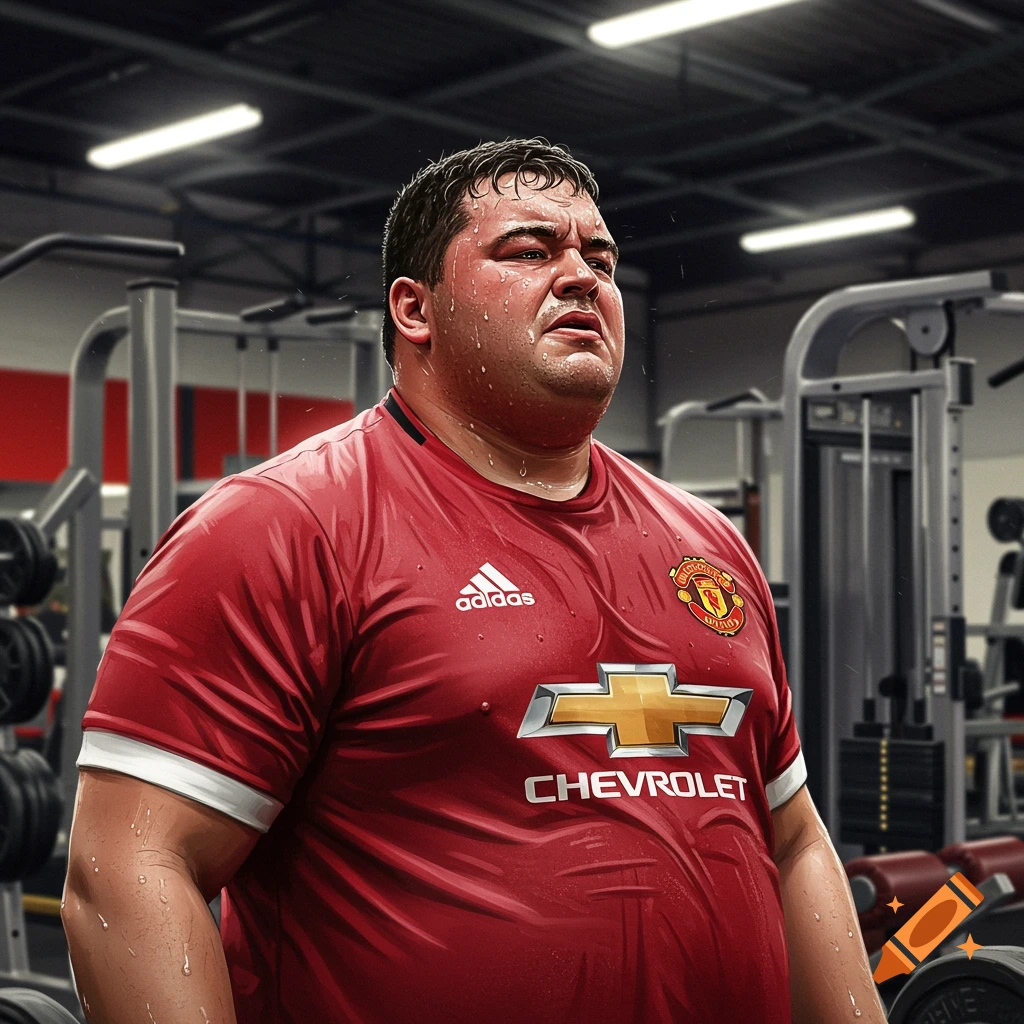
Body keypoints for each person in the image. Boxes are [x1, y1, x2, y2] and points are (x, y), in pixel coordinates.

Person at [62, 138, 886, 1024]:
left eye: (599, 257)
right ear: (415, 309)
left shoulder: (710, 544)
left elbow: (794, 840)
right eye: (529, 251)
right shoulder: (285, 526)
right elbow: (127, 872)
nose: (582, 277)